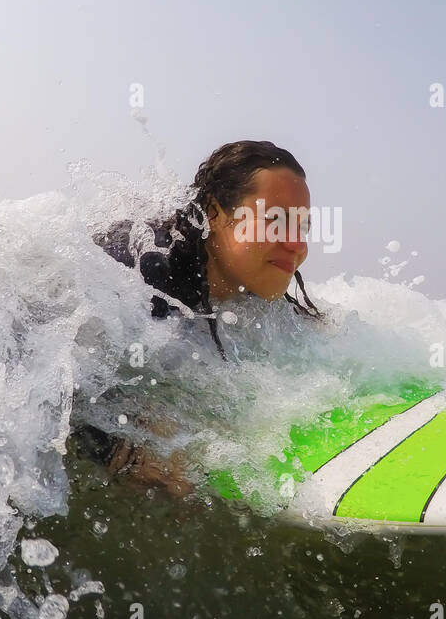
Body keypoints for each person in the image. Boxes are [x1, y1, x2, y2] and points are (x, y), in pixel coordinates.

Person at [68, 140, 325, 494]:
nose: (296, 245)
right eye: (275, 221)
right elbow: (47, 372)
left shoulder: (251, 290)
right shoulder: (146, 270)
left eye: (303, 227)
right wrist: (119, 450)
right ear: (215, 214)